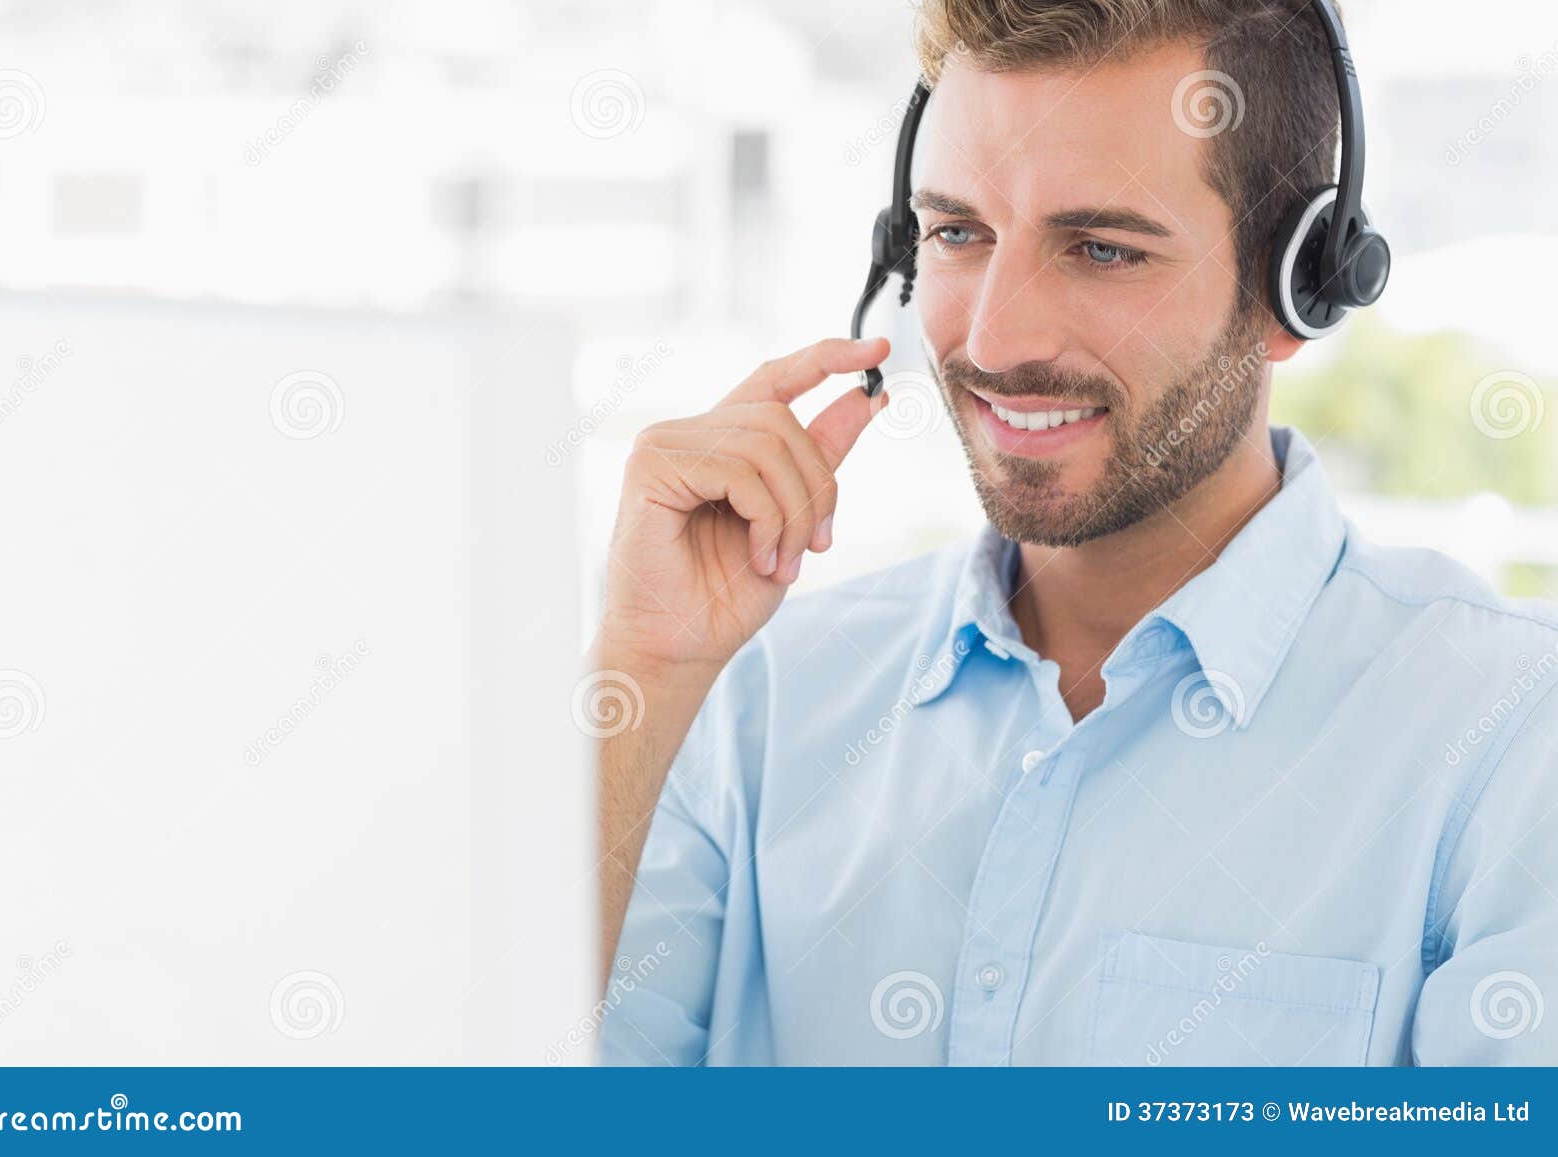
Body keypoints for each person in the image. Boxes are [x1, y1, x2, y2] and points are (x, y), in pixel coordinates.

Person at [588, 0, 1558, 1065]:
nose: (997, 336)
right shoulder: (757, 706)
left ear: (1297, 283)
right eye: (957, 233)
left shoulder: (1506, 740)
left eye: (1101, 249)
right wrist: (647, 668)